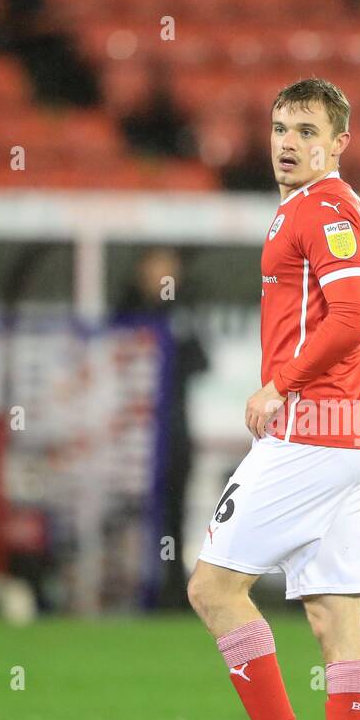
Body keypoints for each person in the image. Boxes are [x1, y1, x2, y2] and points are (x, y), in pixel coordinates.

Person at [185, 78, 360, 720]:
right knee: (336, 615)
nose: (288, 142)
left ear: (338, 143)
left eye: (306, 129)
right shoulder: (318, 208)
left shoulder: (324, 208)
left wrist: (279, 384)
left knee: (212, 589)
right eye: (279, 128)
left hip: (310, 432)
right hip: (353, 435)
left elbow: (351, 318)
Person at [114, 247, 209, 608]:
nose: (163, 278)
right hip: (131, 438)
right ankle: (131, 585)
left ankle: (171, 590)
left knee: (175, 513)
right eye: (156, 269)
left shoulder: (183, 312)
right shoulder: (127, 311)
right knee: (129, 515)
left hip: (174, 434)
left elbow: (202, 361)